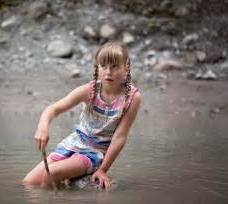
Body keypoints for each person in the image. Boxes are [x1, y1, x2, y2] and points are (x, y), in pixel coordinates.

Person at [21, 41, 141, 191]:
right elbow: (53, 109)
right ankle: (63, 186)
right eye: (104, 66)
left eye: (115, 66)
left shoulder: (132, 97)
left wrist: (103, 170)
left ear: (126, 67)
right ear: (97, 67)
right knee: (28, 183)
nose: (108, 72)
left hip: (95, 152)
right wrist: (43, 126)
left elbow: (120, 137)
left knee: (51, 174)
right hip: (72, 145)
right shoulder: (89, 90)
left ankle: (59, 188)